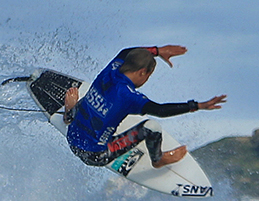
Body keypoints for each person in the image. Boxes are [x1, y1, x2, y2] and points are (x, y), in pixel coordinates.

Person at [62, 45, 226, 170]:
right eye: (148, 75)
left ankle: (69, 114)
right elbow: (160, 111)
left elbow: (126, 51)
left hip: (72, 138)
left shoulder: (112, 69)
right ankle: (158, 159)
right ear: (142, 72)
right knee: (152, 127)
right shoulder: (129, 96)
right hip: (95, 155)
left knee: (90, 100)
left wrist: (157, 51)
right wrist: (197, 105)